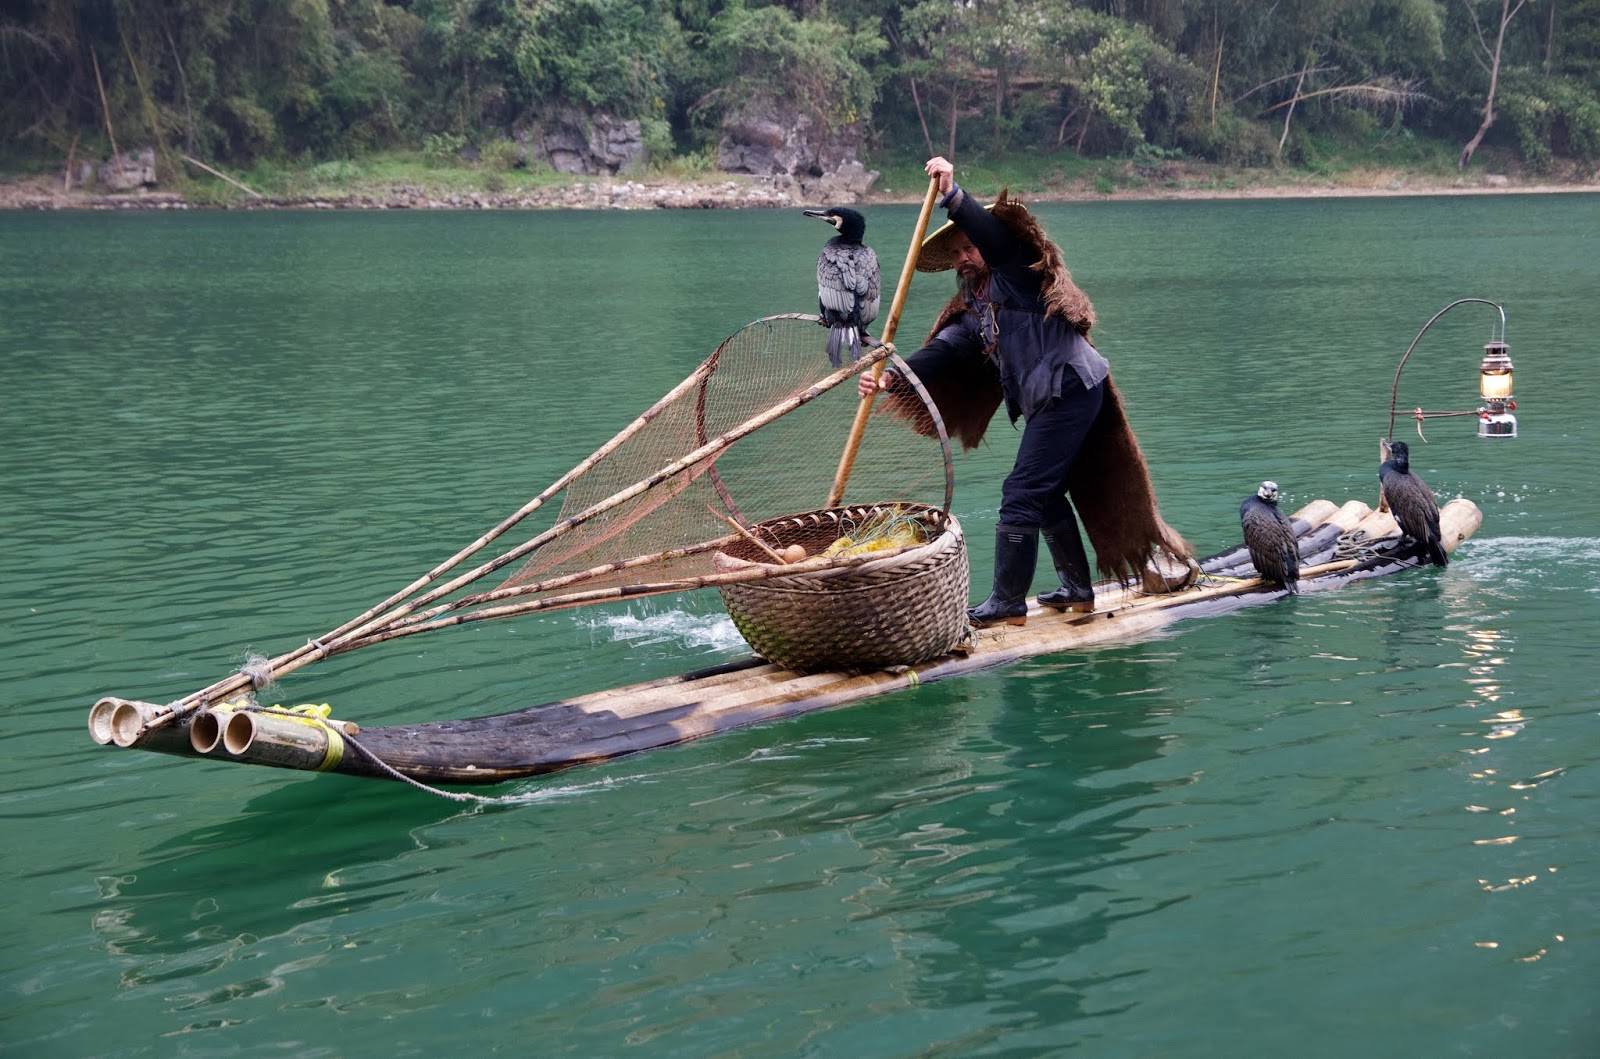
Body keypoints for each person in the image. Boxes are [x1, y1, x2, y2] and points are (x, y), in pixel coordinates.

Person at [862, 157, 1190, 626]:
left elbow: (995, 239)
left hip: (1070, 386)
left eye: (969, 249)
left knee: (1020, 492)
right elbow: (949, 348)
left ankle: (1008, 602)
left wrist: (953, 196)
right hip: (1057, 395)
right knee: (1046, 491)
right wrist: (893, 377)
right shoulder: (976, 303)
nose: (964, 259)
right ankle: (1078, 591)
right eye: (956, 256)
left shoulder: (1016, 270)